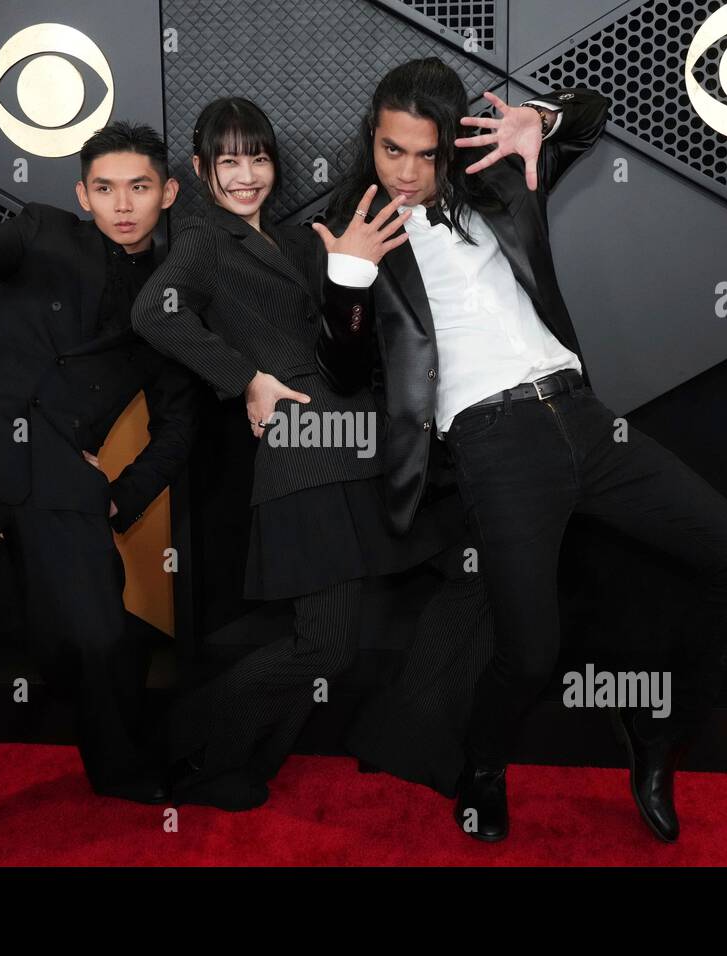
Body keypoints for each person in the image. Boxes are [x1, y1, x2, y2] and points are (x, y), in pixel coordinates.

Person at [315, 57, 727, 843]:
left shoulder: (498, 173)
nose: (409, 171)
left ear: (451, 145)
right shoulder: (350, 222)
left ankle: (662, 732)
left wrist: (547, 118)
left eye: (428, 155)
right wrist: (348, 282)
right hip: (493, 442)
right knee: (529, 656)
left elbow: (591, 108)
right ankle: (484, 767)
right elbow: (345, 370)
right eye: (394, 150)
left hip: (584, 417)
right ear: (373, 136)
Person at [131, 96, 486, 809]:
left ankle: (406, 728)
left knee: (480, 567)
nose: (245, 175)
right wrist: (246, 380)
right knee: (325, 648)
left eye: (257, 158)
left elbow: (348, 334)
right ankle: (189, 744)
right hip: (308, 457)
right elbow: (151, 312)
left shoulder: (296, 240)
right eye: (227, 161)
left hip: (368, 444)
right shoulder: (203, 243)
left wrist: (348, 269)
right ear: (200, 170)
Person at [0, 121, 200, 842]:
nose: (123, 204)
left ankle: (116, 767)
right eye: (107, 189)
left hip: (59, 465)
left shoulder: (174, 296)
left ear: (168, 192)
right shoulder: (43, 231)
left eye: (140, 188)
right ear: (83, 195)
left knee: (97, 633)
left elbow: (180, 422)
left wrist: (123, 493)